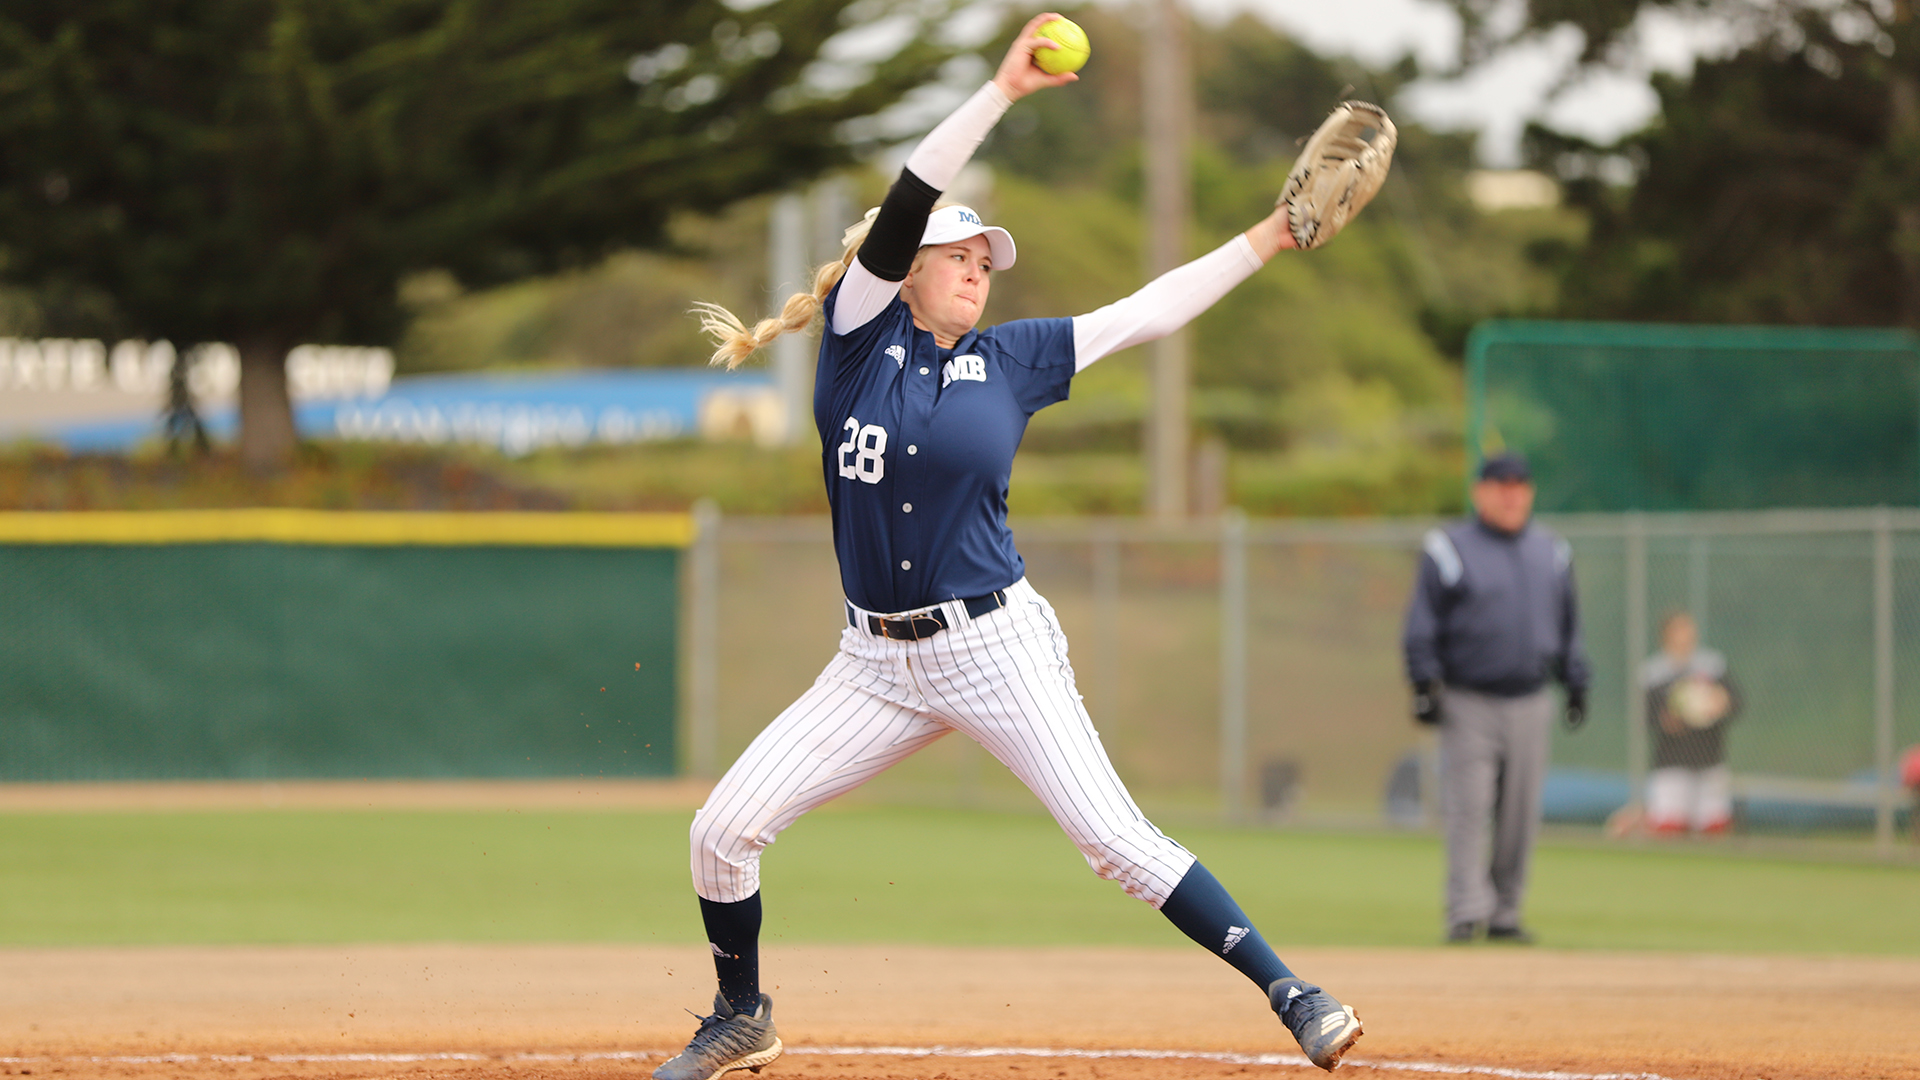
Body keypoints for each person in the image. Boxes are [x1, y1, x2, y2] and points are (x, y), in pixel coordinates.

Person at [654, 14, 1365, 1079]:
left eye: (989, 256)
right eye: (961, 251)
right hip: (873, 664)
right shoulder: (855, 347)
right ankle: (743, 1014)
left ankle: (1294, 993)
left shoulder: (1016, 361)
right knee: (720, 831)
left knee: (1116, 846)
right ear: (910, 270)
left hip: (996, 648)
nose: (982, 265)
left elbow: (1149, 313)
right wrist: (1000, 93)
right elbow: (906, 196)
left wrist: (1269, 236)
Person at [1401, 451, 1590, 945]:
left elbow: (1569, 626)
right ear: (1479, 492)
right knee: (1469, 808)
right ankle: (1466, 910)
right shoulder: (1449, 547)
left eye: (1520, 485)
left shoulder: (1551, 550)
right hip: (1469, 698)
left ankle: (1505, 912)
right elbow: (1422, 623)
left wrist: (1576, 680)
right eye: (1500, 484)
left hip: (1530, 697)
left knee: (1519, 814)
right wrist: (1424, 683)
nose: (1511, 494)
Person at [1640, 611, 1740, 835]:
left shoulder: (1713, 666)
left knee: (1715, 826)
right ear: (1666, 636)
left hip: (1709, 758)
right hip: (1671, 761)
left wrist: (1722, 702)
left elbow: (1736, 702)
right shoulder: (1652, 673)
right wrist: (1664, 721)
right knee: (1669, 827)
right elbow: (1643, 717)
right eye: (1678, 631)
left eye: (1688, 629)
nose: (1685, 636)